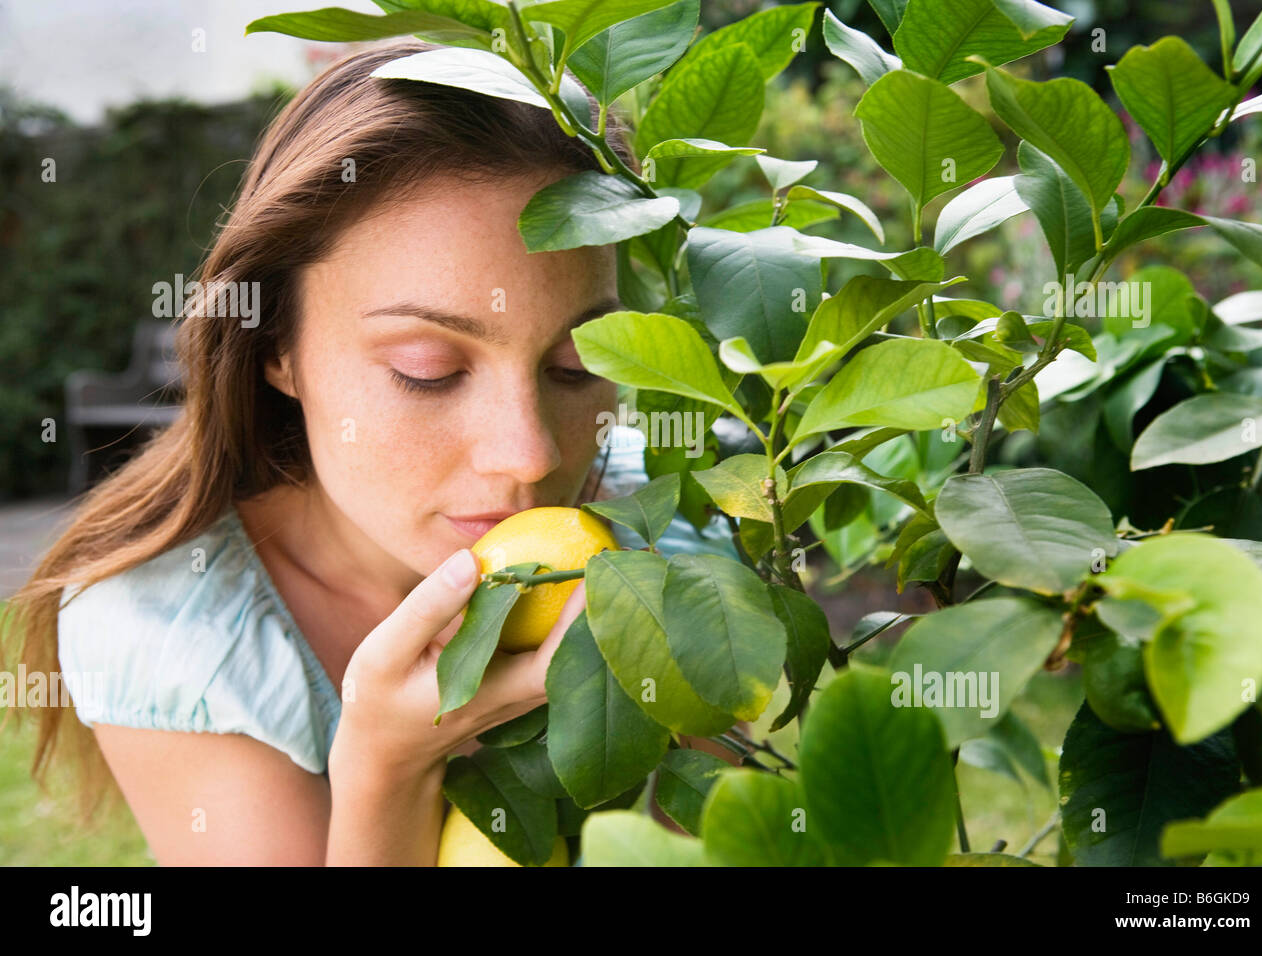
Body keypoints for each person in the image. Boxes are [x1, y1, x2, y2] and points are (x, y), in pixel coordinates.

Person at [2, 41, 742, 866]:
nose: (527, 456)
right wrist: (388, 764)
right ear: (276, 345)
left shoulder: (663, 534)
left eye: (576, 367)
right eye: (426, 371)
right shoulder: (185, 637)